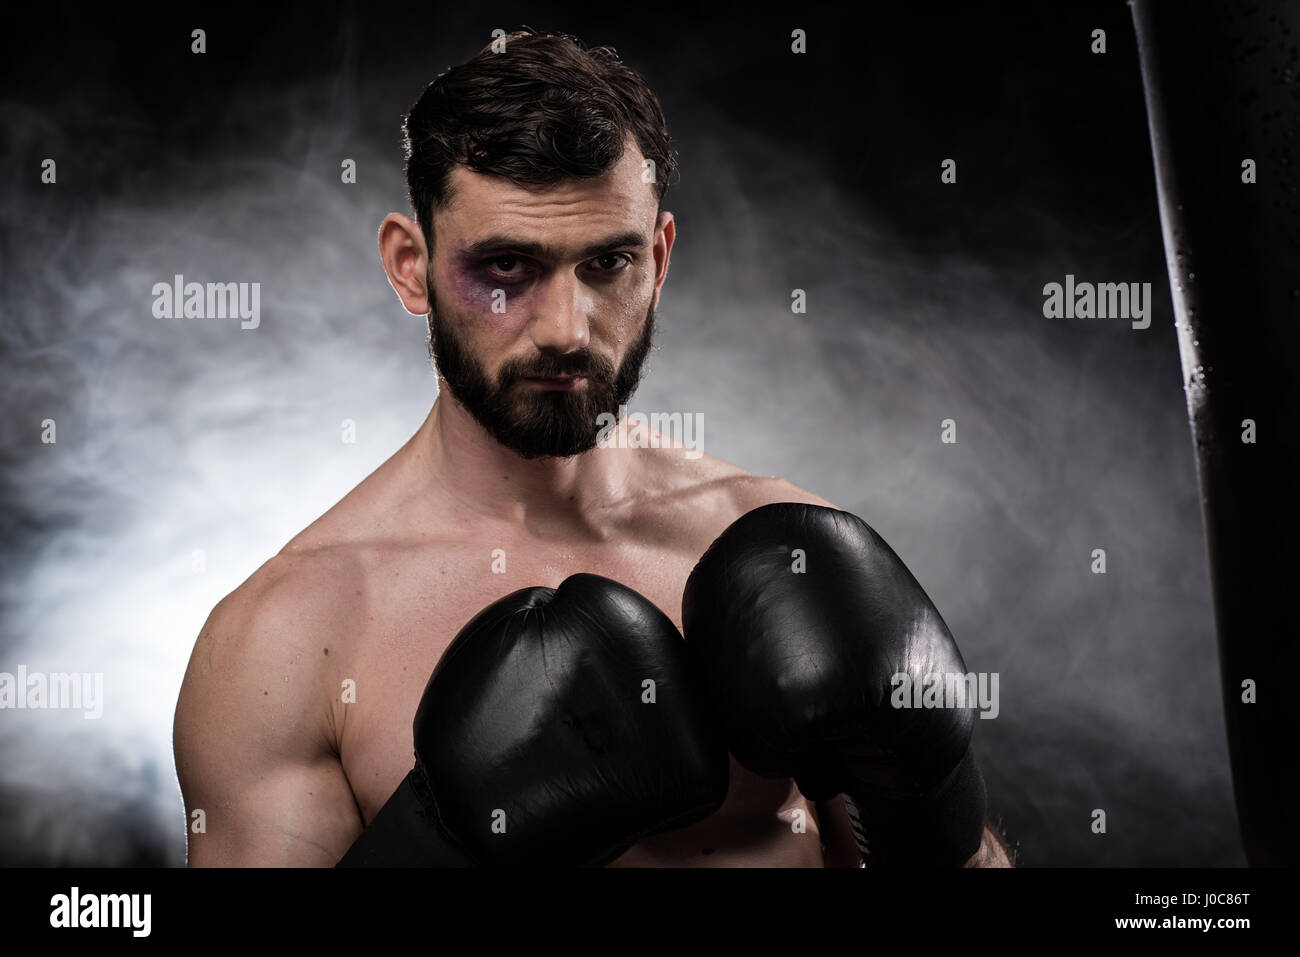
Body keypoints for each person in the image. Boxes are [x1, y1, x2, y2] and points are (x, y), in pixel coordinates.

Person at [173, 27, 1013, 868]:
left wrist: (932, 813)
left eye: (607, 263)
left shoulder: (787, 547)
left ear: (659, 258)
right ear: (409, 266)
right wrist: (432, 846)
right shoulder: (290, 640)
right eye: (506, 266)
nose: (565, 330)